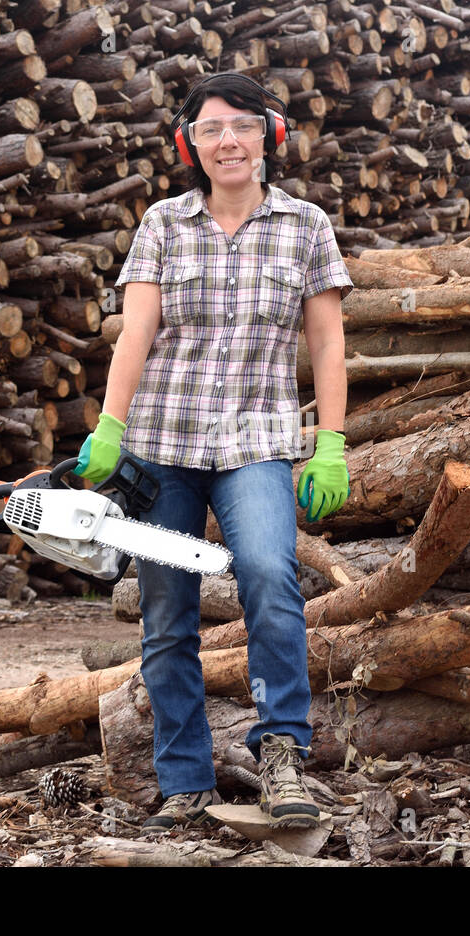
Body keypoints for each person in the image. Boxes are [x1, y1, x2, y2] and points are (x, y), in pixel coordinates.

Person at [74, 71, 353, 833]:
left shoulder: (306, 227)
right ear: (188, 144)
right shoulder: (164, 223)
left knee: (268, 572)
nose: (226, 140)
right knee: (167, 610)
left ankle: (284, 753)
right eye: (209, 129)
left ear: (269, 135)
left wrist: (330, 442)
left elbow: (326, 342)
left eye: (241, 125)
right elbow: (136, 334)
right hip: (163, 446)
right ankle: (185, 780)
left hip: (256, 440)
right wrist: (111, 426)